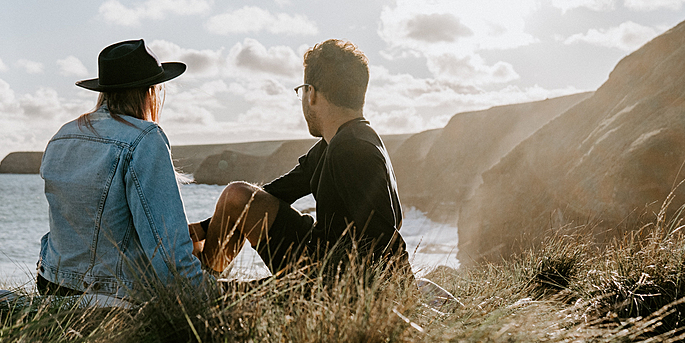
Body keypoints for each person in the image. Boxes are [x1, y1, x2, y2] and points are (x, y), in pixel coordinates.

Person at [190, 39, 410, 279]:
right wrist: (205, 227)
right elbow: (278, 192)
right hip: (320, 252)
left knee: (231, 295)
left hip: (331, 275)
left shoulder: (353, 149)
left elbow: (383, 240)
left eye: (301, 91)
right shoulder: (335, 143)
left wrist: (269, 288)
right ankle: (204, 278)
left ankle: (203, 285)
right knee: (237, 195)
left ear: (311, 93)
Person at [37, 39, 209, 307]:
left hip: (52, 284)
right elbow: (168, 252)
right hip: (113, 295)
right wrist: (211, 301)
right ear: (151, 92)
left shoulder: (62, 135)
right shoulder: (145, 138)